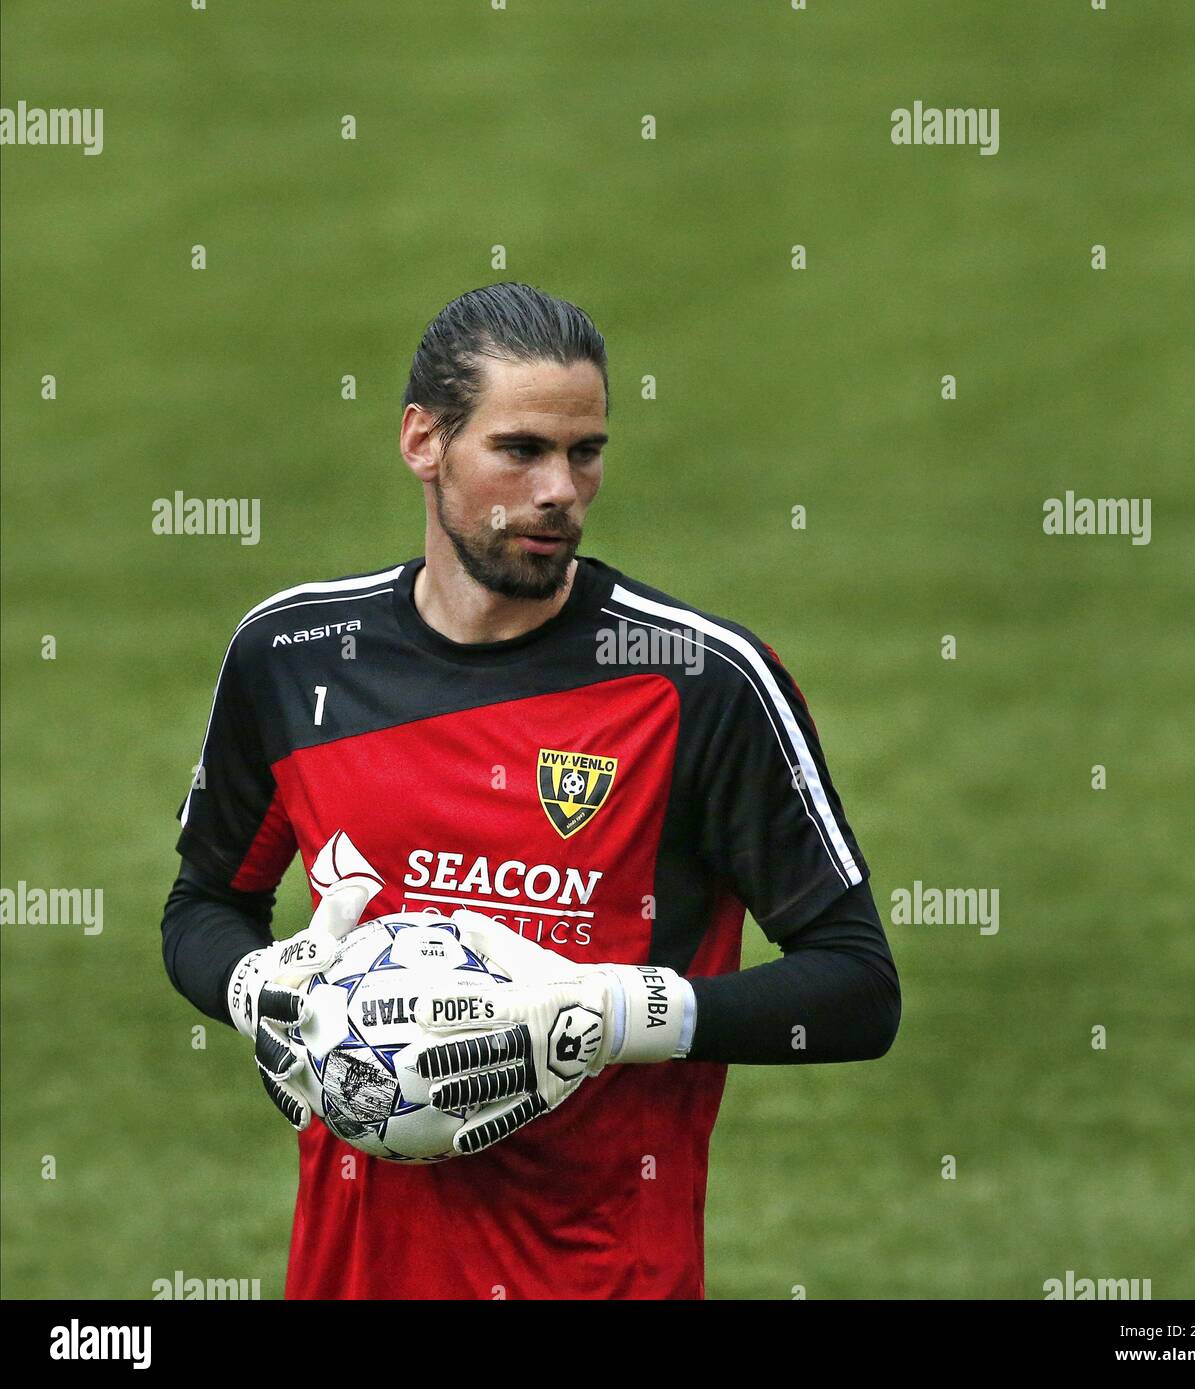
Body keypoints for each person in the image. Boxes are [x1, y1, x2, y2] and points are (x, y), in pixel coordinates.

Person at [161, 281, 901, 1300]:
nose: (560, 489)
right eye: (521, 450)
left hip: (603, 1279)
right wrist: (256, 989)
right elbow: (205, 903)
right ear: (423, 441)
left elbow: (859, 991)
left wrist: (613, 1012)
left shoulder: (698, 684)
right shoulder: (292, 656)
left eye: (584, 452)